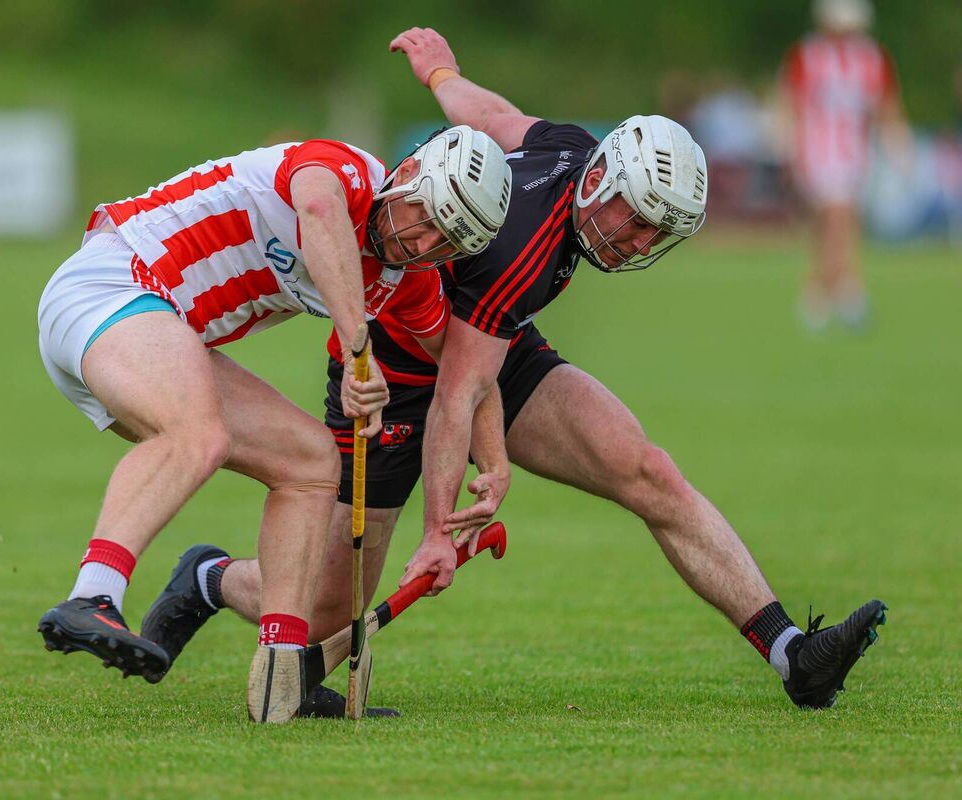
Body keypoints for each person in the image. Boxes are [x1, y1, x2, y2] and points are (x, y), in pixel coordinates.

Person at [141, 27, 888, 716]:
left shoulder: (572, 150)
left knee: (646, 470)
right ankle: (210, 578)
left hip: (493, 345)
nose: (637, 243)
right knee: (328, 608)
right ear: (604, 182)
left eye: (656, 233)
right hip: (394, 373)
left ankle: (794, 655)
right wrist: (440, 531)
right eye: (635, 219)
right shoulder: (519, 251)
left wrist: (440, 73)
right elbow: (455, 396)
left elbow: (495, 117)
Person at [35, 124, 511, 723]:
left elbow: (468, 371)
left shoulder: (407, 281)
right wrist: (359, 346)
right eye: (428, 217)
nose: (424, 244)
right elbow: (318, 212)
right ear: (410, 174)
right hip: (112, 285)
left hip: (164, 334)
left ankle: (283, 676)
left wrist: (494, 463)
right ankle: (93, 596)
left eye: (447, 243)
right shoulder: (341, 172)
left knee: (311, 462)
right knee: (198, 434)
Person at [778, 0, 911, 331]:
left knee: (838, 222)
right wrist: (789, 147)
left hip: (855, 151)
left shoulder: (872, 57)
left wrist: (899, 143)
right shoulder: (808, 55)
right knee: (838, 217)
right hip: (817, 149)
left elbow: (886, 105)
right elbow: (791, 103)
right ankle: (847, 288)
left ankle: (820, 292)